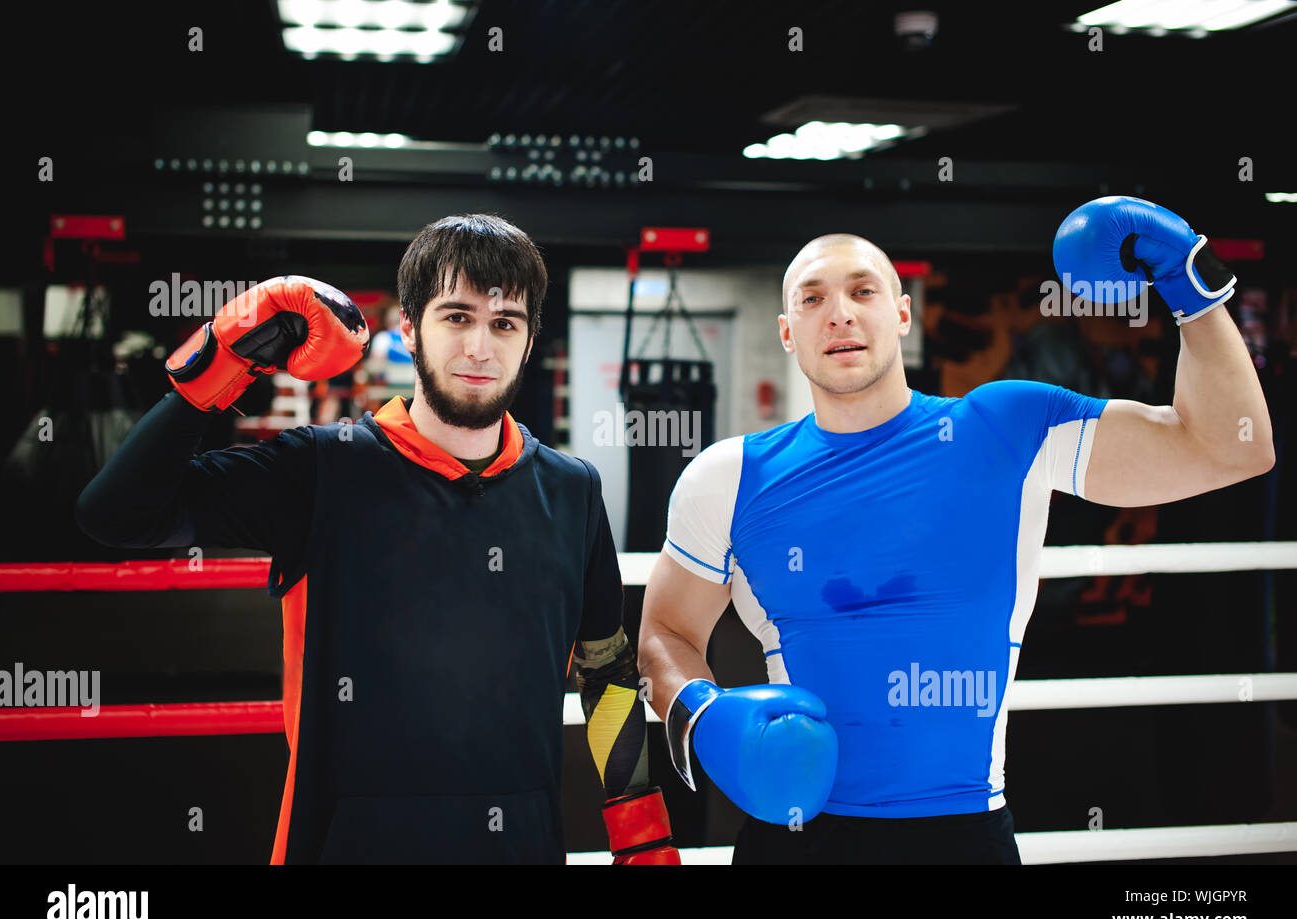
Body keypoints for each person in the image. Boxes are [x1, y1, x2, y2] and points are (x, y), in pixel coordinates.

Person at [638, 196, 1275, 864]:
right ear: (788, 332)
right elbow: (664, 633)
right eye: (812, 299)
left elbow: (1230, 448)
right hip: (800, 840)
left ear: (903, 312)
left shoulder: (1008, 428)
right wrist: (700, 712)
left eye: (863, 290)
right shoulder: (729, 476)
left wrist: (1189, 285)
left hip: (962, 837)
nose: (841, 312)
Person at [76, 214, 677, 864]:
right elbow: (116, 514)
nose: (481, 347)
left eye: (505, 322)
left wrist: (644, 841)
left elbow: (607, 675)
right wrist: (218, 362)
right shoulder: (323, 468)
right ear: (410, 330)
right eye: (456, 317)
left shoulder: (571, 490)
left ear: (529, 341)